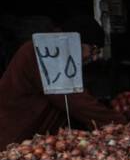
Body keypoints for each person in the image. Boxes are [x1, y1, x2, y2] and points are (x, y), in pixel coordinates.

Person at [0, 14, 122, 149]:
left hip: (26, 143)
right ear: (76, 42)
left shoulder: (61, 58)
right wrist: (119, 123)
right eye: (93, 50)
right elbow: (76, 102)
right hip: (9, 139)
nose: (93, 58)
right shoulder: (42, 52)